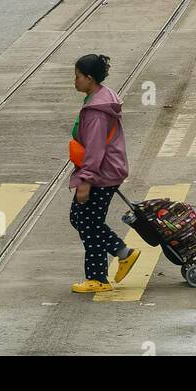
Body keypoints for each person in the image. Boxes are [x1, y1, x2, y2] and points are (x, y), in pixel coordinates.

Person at [68, 53, 140, 293]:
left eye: (77, 76)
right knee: (82, 220)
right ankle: (118, 256)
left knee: (88, 222)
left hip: (100, 174)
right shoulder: (99, 96)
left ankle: (103, 273)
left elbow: (96, 148)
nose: (74, 81)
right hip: (105, 170)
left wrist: (85, 180)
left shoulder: (97, 111)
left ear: (89, 78)